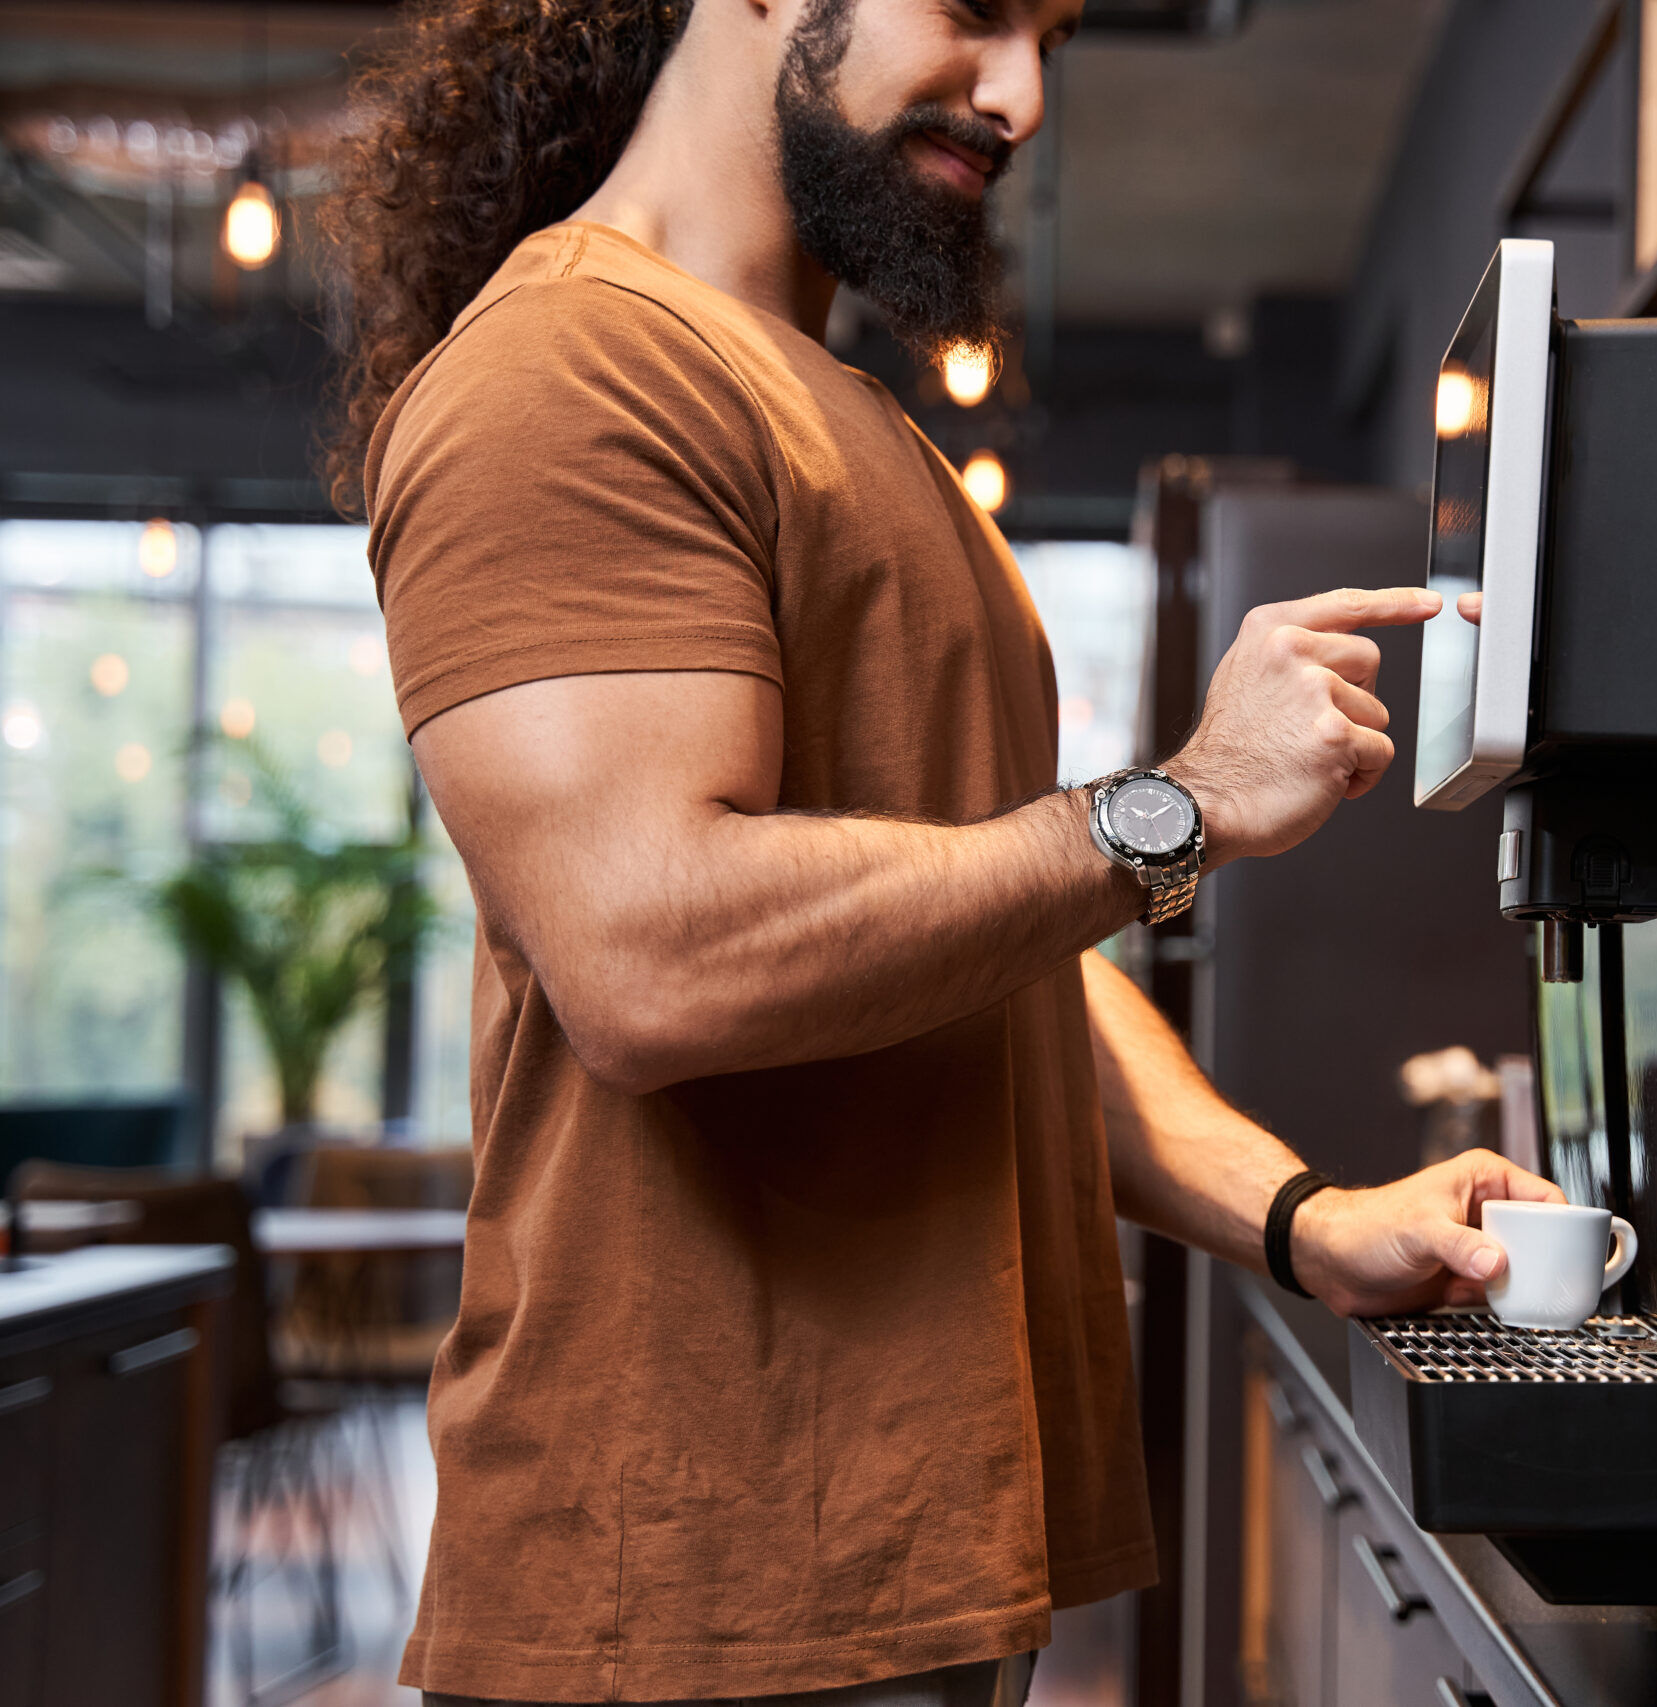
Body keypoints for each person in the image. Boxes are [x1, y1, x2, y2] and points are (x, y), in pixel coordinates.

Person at [318, 1, 1562, 1702]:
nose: (1023, 94)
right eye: (977, 9)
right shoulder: (567, 371)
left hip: (906, 1558)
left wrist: (1302, 1216)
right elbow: (650, 953)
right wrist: (1177, 806)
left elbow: (984, 956)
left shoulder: (846, 415)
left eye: (1054, 35)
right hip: (688, 1589)